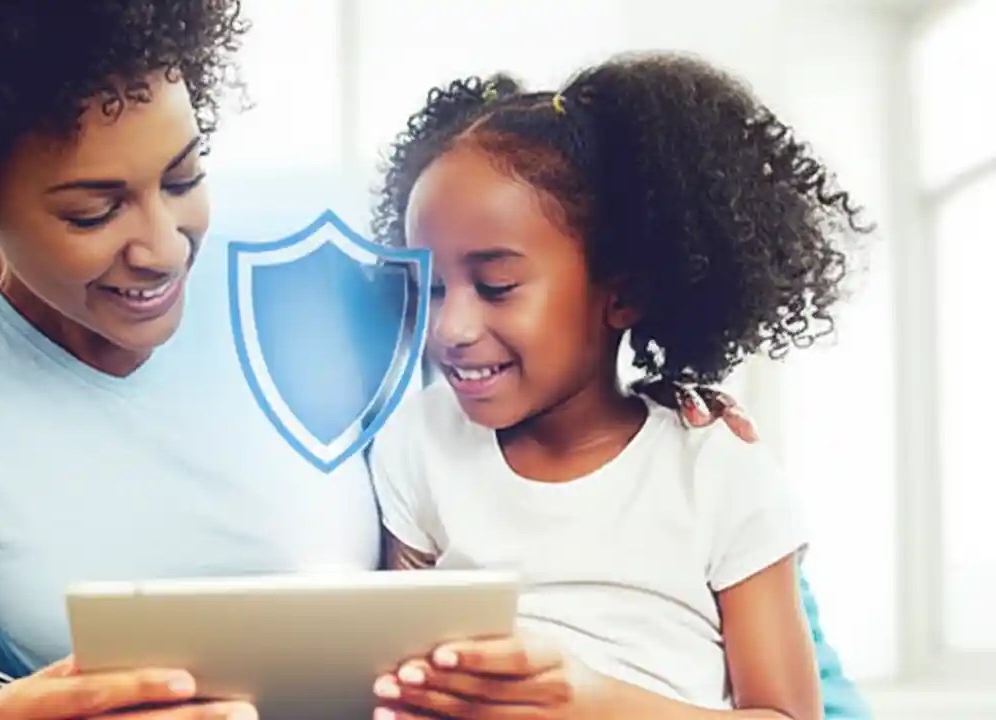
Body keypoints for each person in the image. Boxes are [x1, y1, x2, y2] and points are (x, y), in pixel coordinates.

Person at [0, 2, 838, 719]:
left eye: (183, 175)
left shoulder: (348, 262)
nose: (162, 244)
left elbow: (545, 360)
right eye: (93, 209)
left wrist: (657, 377)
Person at [363, 57, 871, 719]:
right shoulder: (420, 442)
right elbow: (395, 676)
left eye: (496, 287)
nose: (450, 326)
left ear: (622, 292)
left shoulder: (716, 472)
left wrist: (588, 702)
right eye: (430, 287)